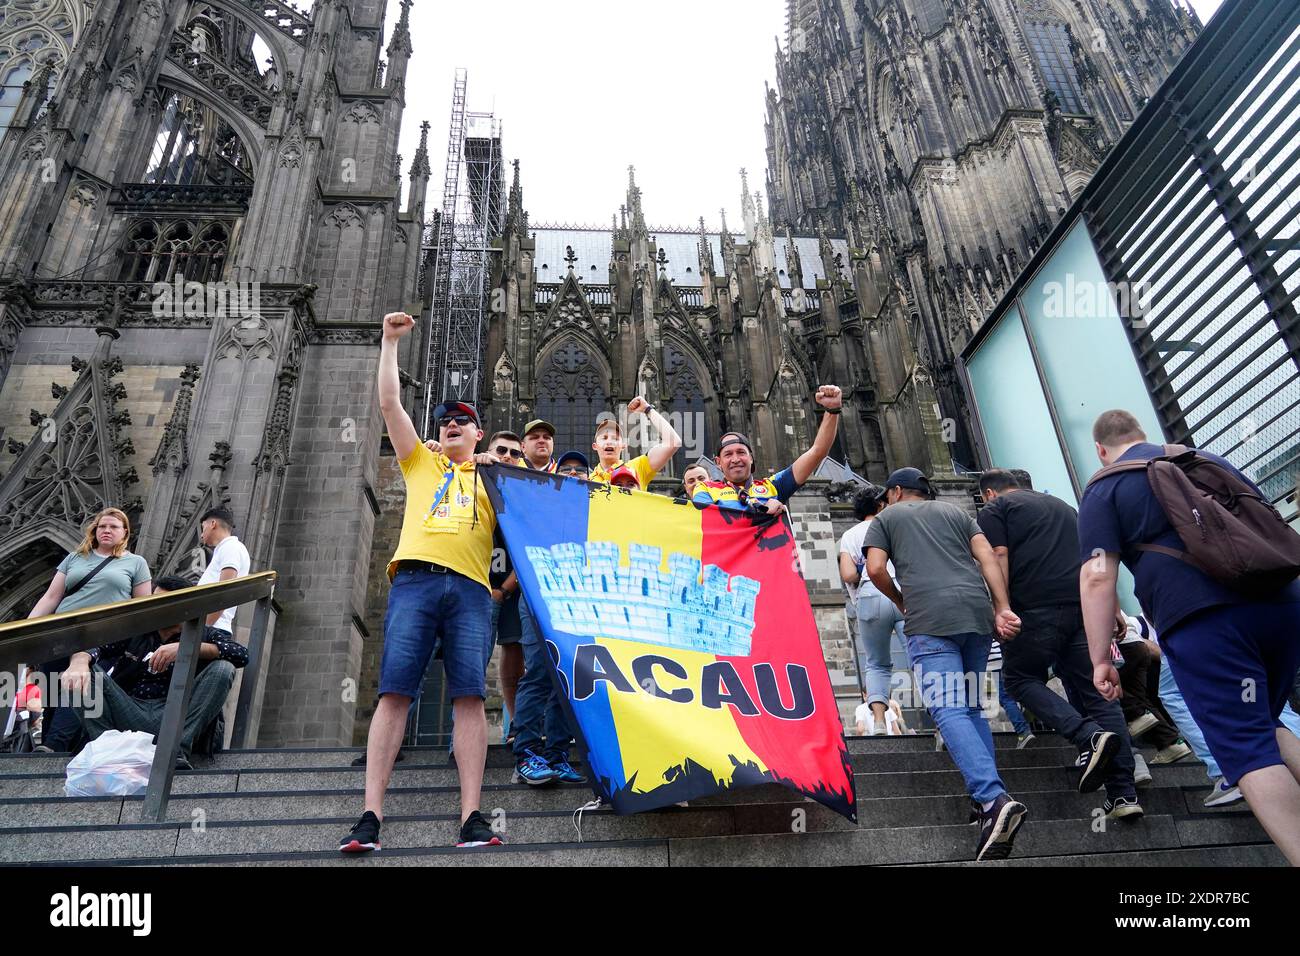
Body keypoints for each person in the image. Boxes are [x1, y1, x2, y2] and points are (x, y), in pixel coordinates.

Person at [1079, 409, 1300, 864]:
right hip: (1282, 602)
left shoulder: (1105, 486)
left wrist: (1101, 656)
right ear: (1142, 435)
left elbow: (1098, 576)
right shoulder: (1205, 461)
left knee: (1246, 748)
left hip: (1205, 617)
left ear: (1100, 450)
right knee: (1264, 725)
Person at [339, 310, 503, 854]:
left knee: (470, 698)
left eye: (462, 420)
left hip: (473, 593)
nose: (450, 425)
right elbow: (389, 403)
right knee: (394, 693)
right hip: (415, 582)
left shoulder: (496, 480)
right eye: (443, 422)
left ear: (478, 432)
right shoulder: (419, 463)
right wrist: (388, 342)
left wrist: (497, 462)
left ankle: (472, 816)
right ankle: (370, 815)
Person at [863, 467, 1027, 861]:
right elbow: (987, 557)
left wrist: (901, 600)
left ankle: (991, 799)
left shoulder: (886, 517)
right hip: (975, 615)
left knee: (949, 709)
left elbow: (873, 570)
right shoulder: (956, 512)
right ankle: (983, 798)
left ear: (896, 492)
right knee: (971, 708)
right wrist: (1001, 607)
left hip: (929, 619)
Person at [976, 469, 1140, 820]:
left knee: (1020, 680)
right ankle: (1124, 795)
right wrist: (1112, 607)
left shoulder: (995, 509)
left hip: (1034, 610)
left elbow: (999, 556)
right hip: (1081, 611)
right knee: (1099, 692)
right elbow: (1095, 559)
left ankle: (1086, 736)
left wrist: (1000, 607)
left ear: (989, 492)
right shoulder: (1065, 507)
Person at [60, 575, 248, 768]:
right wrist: (80, 661)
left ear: (186, 605)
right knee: (80, 672)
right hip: (129, 709)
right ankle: (107, 748)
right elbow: (96, 646)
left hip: (177, 717)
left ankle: (176, 750)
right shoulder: (136, 629)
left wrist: (189, 648)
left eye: (165, 603)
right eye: (155, 600)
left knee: (223, 668)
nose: (157, 607)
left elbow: (241, 655)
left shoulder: (204, 634)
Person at [27, 507, 153, 753]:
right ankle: (49, 751)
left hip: (102, 636)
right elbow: (51, 597)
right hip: (61, 632)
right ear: (94, 530)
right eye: (102, 526)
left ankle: (54, 746)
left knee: (80, 688)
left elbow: (143, 608)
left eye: (114, 527)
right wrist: (28, 632)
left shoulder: (135, 563)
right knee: (53, 698)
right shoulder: (75, 558)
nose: (107, 530)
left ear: (124, 533)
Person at [510, 449, 591, 787]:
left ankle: (557, 754)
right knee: (540, 672)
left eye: (580, 470)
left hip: (579, 598)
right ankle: (527, 752)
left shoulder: (599, 506)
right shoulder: (538, 499)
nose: (573, 473)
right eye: (566, 468)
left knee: (568, 676)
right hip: (539, 595)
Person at [693, 385, 844, 514]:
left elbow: (818, 452)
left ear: (751, 458)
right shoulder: (705, 488)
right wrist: (763, 510)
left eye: (741, 452)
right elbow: (708, 517)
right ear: (718, 462)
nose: (735, 459)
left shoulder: (772, 487)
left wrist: (832, 410)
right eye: (728, 454)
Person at [838, 484, 904, 734]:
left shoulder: (851, 535)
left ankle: (877, 721)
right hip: (902, 591)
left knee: (876, 663)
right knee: (920, 657)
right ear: (880, 505)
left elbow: (847, 573)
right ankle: (941, 717)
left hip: (869, 594)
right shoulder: (894, 524)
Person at [486, 432, 527, 726]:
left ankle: (516, 725)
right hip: (475, 588)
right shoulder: (472, 478)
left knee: (516, 654)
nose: (507, 457)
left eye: (514, 453)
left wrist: (501, 590)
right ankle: (456, 742)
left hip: (509, 588)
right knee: (469, 665)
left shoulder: (524, 490)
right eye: (501, 451)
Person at [1115, 614, 1191, 764]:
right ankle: (1171, 745)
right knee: (1141, 699)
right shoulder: (1138, 622)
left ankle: (1136, 714)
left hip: (1121, 644)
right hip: (1136, 646)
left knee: (1101, 683)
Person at [196, 507, 251, 636]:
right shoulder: (225, 549)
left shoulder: (231, 547)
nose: (202, 534)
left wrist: (203, 628)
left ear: (213, 524)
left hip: (213, 628)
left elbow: (224, 591)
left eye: (203, 528)